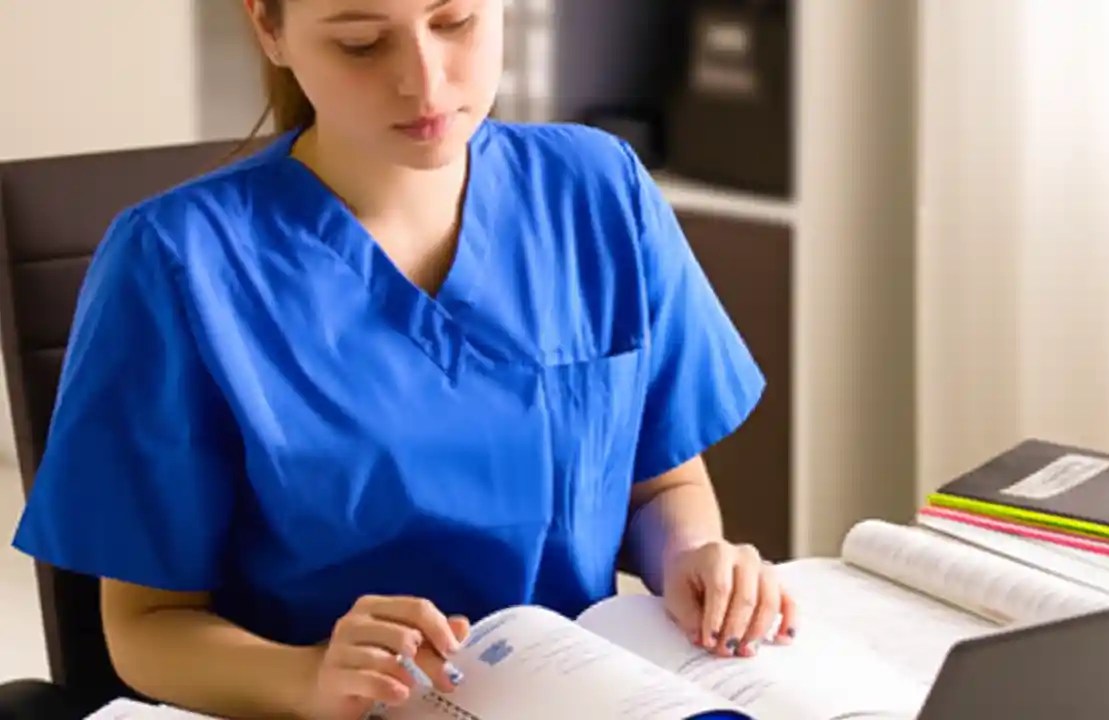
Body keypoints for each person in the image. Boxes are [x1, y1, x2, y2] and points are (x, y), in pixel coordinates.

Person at [11, 0, 796, 718]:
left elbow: (660, 483)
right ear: (269, 27)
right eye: (361, 43)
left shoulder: (598, 191)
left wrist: (695, 556)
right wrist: (308, 676)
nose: (424, 81)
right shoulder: (178, 263)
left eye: (454, 22)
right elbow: (146, 628)